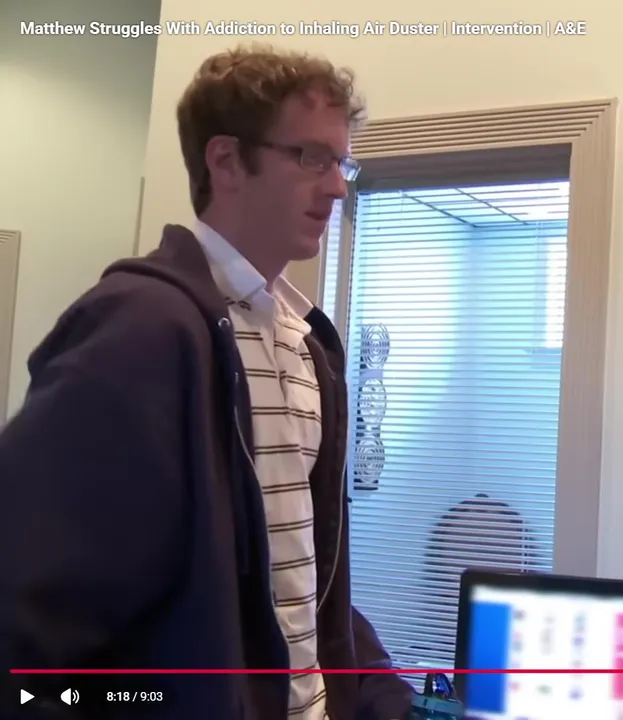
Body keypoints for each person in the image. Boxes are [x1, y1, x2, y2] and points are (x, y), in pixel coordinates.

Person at [0, 46, 413, 719]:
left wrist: (381, 695)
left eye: (342, 163)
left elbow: (297, 577)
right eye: (312, 158)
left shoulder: (309, 345)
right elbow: (27, 622)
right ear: (226, 161)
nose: (338, 187)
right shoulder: (137, 331)